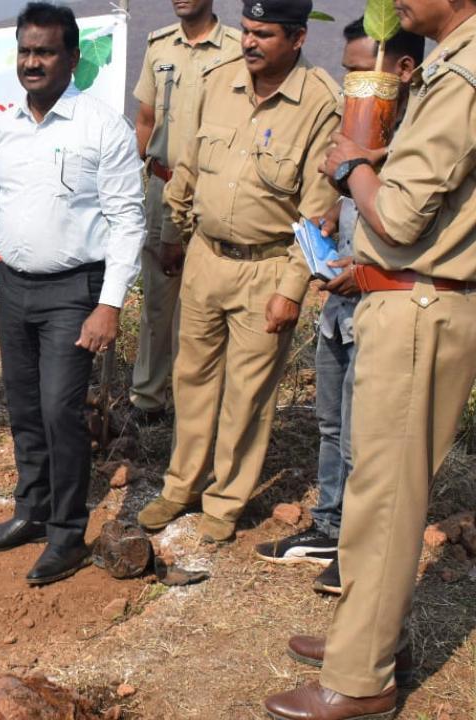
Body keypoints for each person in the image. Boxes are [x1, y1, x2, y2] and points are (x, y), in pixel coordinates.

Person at [265, 0, 476, 716]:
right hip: (403, 294)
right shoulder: (452, 61)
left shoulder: (465, 72)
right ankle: (367, 633)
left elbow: (402, 214)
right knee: (371, 488)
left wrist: (354, 162)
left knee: (386, 497)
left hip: (422, 305)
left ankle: (361, 680)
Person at [0, 2, 145, 585]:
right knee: (26, 410)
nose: (32, 62)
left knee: (61, 411)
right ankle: (30, 513)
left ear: (73, 58)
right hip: (15, 289)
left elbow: (129, 221)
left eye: (45, 51)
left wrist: (109, 303)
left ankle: (67, 534)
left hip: (73, 292)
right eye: (25, 51)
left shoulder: (101, 126)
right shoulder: (1, 129)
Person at [137, 0, 341, 544]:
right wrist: (175, 237)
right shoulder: (219, 80)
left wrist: (293, 288)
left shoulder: (320, 102)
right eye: (247, 31)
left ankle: (223, 503)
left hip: (268, 267)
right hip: (206, 257)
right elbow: (187, 170)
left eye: (264, 34)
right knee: (192, 378)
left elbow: (318, 211)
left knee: (248, 394)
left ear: (297, 39)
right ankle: (181, 486)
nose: (249, 43)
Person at [253, 18, 422, 598]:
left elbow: (417, 238)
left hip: (378, 309)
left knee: (361, 438)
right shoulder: (356, 140)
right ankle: (327, 527)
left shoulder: (414, 146)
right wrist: (332, 221)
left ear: (401, 72)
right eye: (347, 72)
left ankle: (353, 545)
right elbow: (355, 208)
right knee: (330, 425)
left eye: (359, 73)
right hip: (338, 309)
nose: (350, 85)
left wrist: (365, 272)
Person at [130, 0, 241, 425]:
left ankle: (197, 401)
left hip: (214, 190)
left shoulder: (234, 48)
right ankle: (148, 398)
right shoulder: (159, 47)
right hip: (163, 185)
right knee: (158, 298)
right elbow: (145, 119)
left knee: (210, 296)